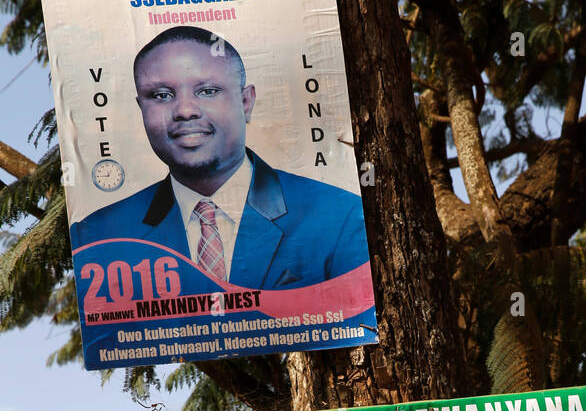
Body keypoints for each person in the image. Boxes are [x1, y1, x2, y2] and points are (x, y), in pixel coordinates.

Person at [70, 26, 370, 290]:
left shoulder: (337, 215)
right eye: (161, 95)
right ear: (141, 108)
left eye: (208, 91)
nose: (185, 110)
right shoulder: (100, 235)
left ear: (245, 101)